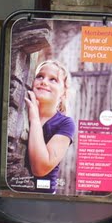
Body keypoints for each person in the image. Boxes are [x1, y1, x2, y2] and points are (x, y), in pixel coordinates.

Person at [24, 59, 77, 193]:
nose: (44, 82)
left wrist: (35, 118)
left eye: (53, 79)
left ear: (63, 92)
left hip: (43, 196)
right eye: (40, 76)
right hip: (13, 189)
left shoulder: (65, 124)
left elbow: (40, 168)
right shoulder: (20, 112)